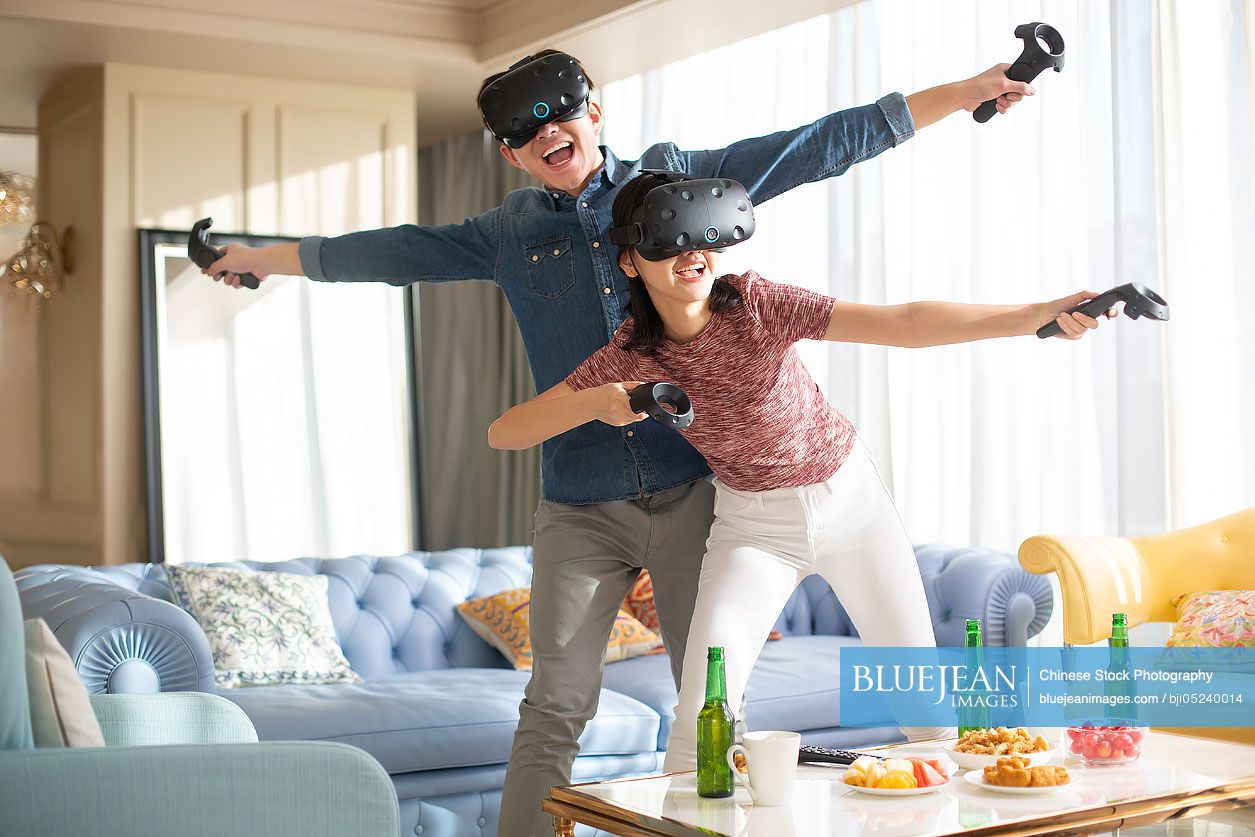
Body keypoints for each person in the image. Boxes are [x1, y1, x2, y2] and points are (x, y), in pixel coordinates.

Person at [203, 50, 1035, 835]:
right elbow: (387, 252)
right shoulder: (506, 233)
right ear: (510, 156)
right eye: (525, 136)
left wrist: (962, 94)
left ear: (593, 111)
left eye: (558, 119)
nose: (546, 138)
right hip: (580, 501)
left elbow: (816, 146)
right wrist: (258, 258)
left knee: (706, 701)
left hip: (695, 495)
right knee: (554, 705)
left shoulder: (672, 187)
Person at [488, 170, 1114, 772]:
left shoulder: (758, 304)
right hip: (754, 530)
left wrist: (1039, 314)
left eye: (700, 235)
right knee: (702, 713)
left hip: (852, 507)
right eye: (665, 239)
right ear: (630, 260)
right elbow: (505, 432)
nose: (690, 253)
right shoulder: (632, 353)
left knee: (926, 713)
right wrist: (599, 403)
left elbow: (905, 324)